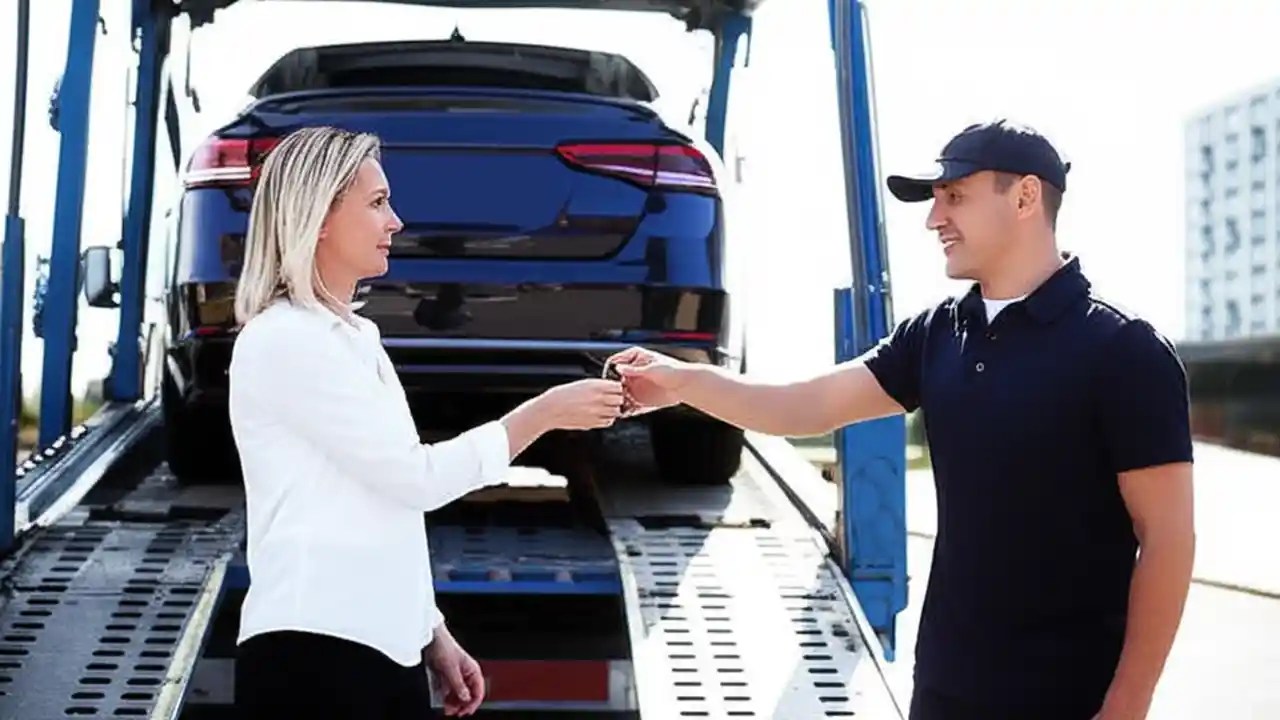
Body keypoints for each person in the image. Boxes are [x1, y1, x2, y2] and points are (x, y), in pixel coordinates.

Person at [606, 119, 1195, 720]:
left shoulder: (1124, 351)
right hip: (945, 688)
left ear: (1024, 197)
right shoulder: (938, 335)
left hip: (1068, 697)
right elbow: (801, 406)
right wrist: (681, 382)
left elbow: (1168, 539)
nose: (934, 219)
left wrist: (1128, 703)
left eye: (955, 196)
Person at [227, 126, 626, 719]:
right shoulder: (285, 340)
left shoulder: (353, 337)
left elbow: (384, 504)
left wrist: (429, 631)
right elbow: (417, 479)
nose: (397, 222)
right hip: (313, 661)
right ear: (319, 216)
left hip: (373, 657)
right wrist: (542, 415)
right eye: (378, 202)